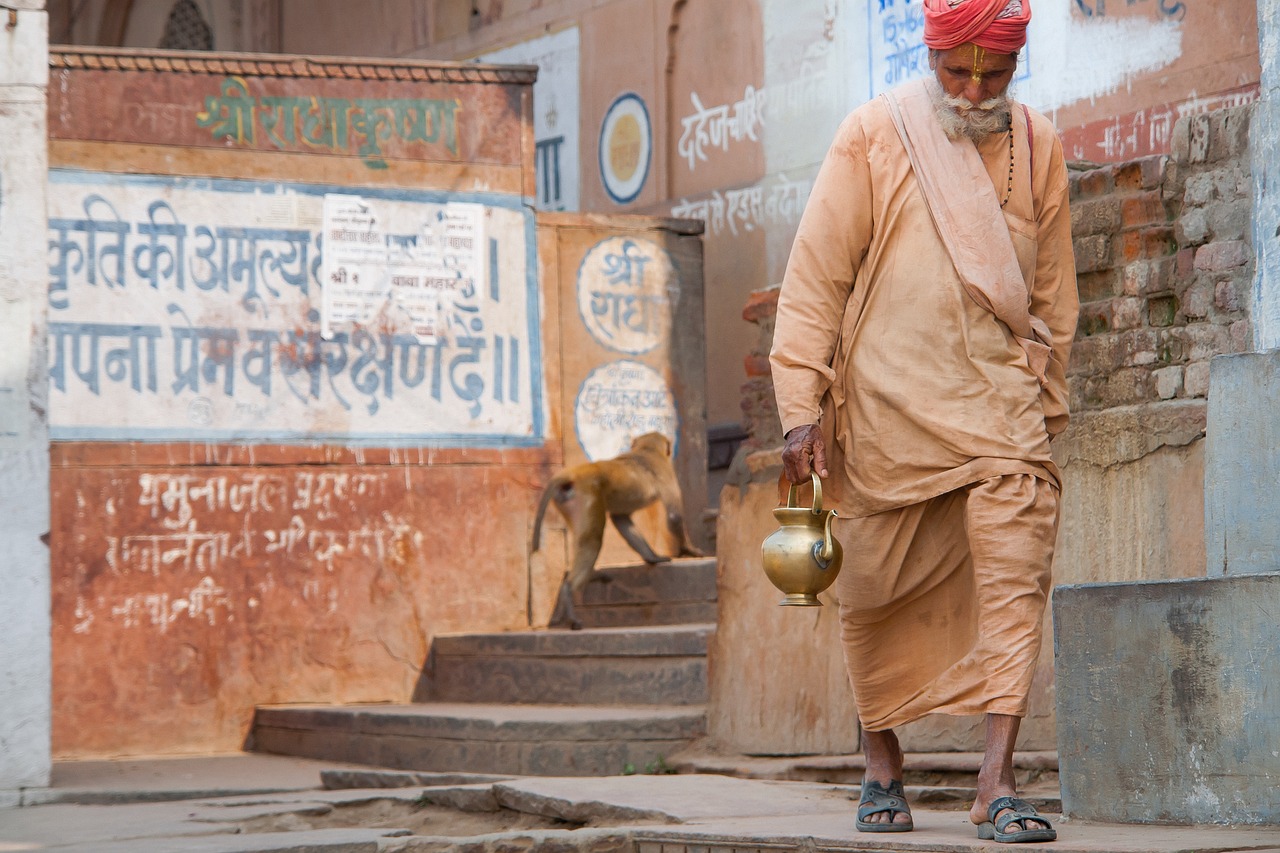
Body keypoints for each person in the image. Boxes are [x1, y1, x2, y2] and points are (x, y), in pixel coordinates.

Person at [769, 0, 1078, 844]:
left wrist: (1041, 394)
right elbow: (815, 281)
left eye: (995, 74)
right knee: (868, 589)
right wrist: (802, 412)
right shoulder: (875, 133)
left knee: (1017, 565)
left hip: (997, 407)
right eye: (957, 71)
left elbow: (1052, 293)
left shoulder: (1037, 144)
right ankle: (881, 765)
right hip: (882, 406)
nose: (975, 89)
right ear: (932, 54)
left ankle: (996, 782)